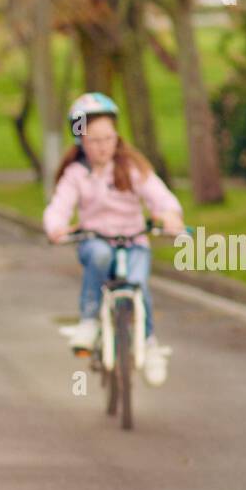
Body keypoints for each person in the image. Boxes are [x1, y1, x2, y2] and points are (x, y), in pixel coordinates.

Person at [43, 92, 185, 387]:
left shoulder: (131, 168)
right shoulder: (76, 174)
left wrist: (170, 216)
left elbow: (160, 197)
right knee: (99, 257)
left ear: (117, 137)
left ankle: (148, 343)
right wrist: (56, 227)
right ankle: (88, 322)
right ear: (80, 139)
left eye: (108, 138)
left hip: (133, 242)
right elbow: (59, 206)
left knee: (139, 285)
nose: (102, 146)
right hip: (96, 240)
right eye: (93, 140)